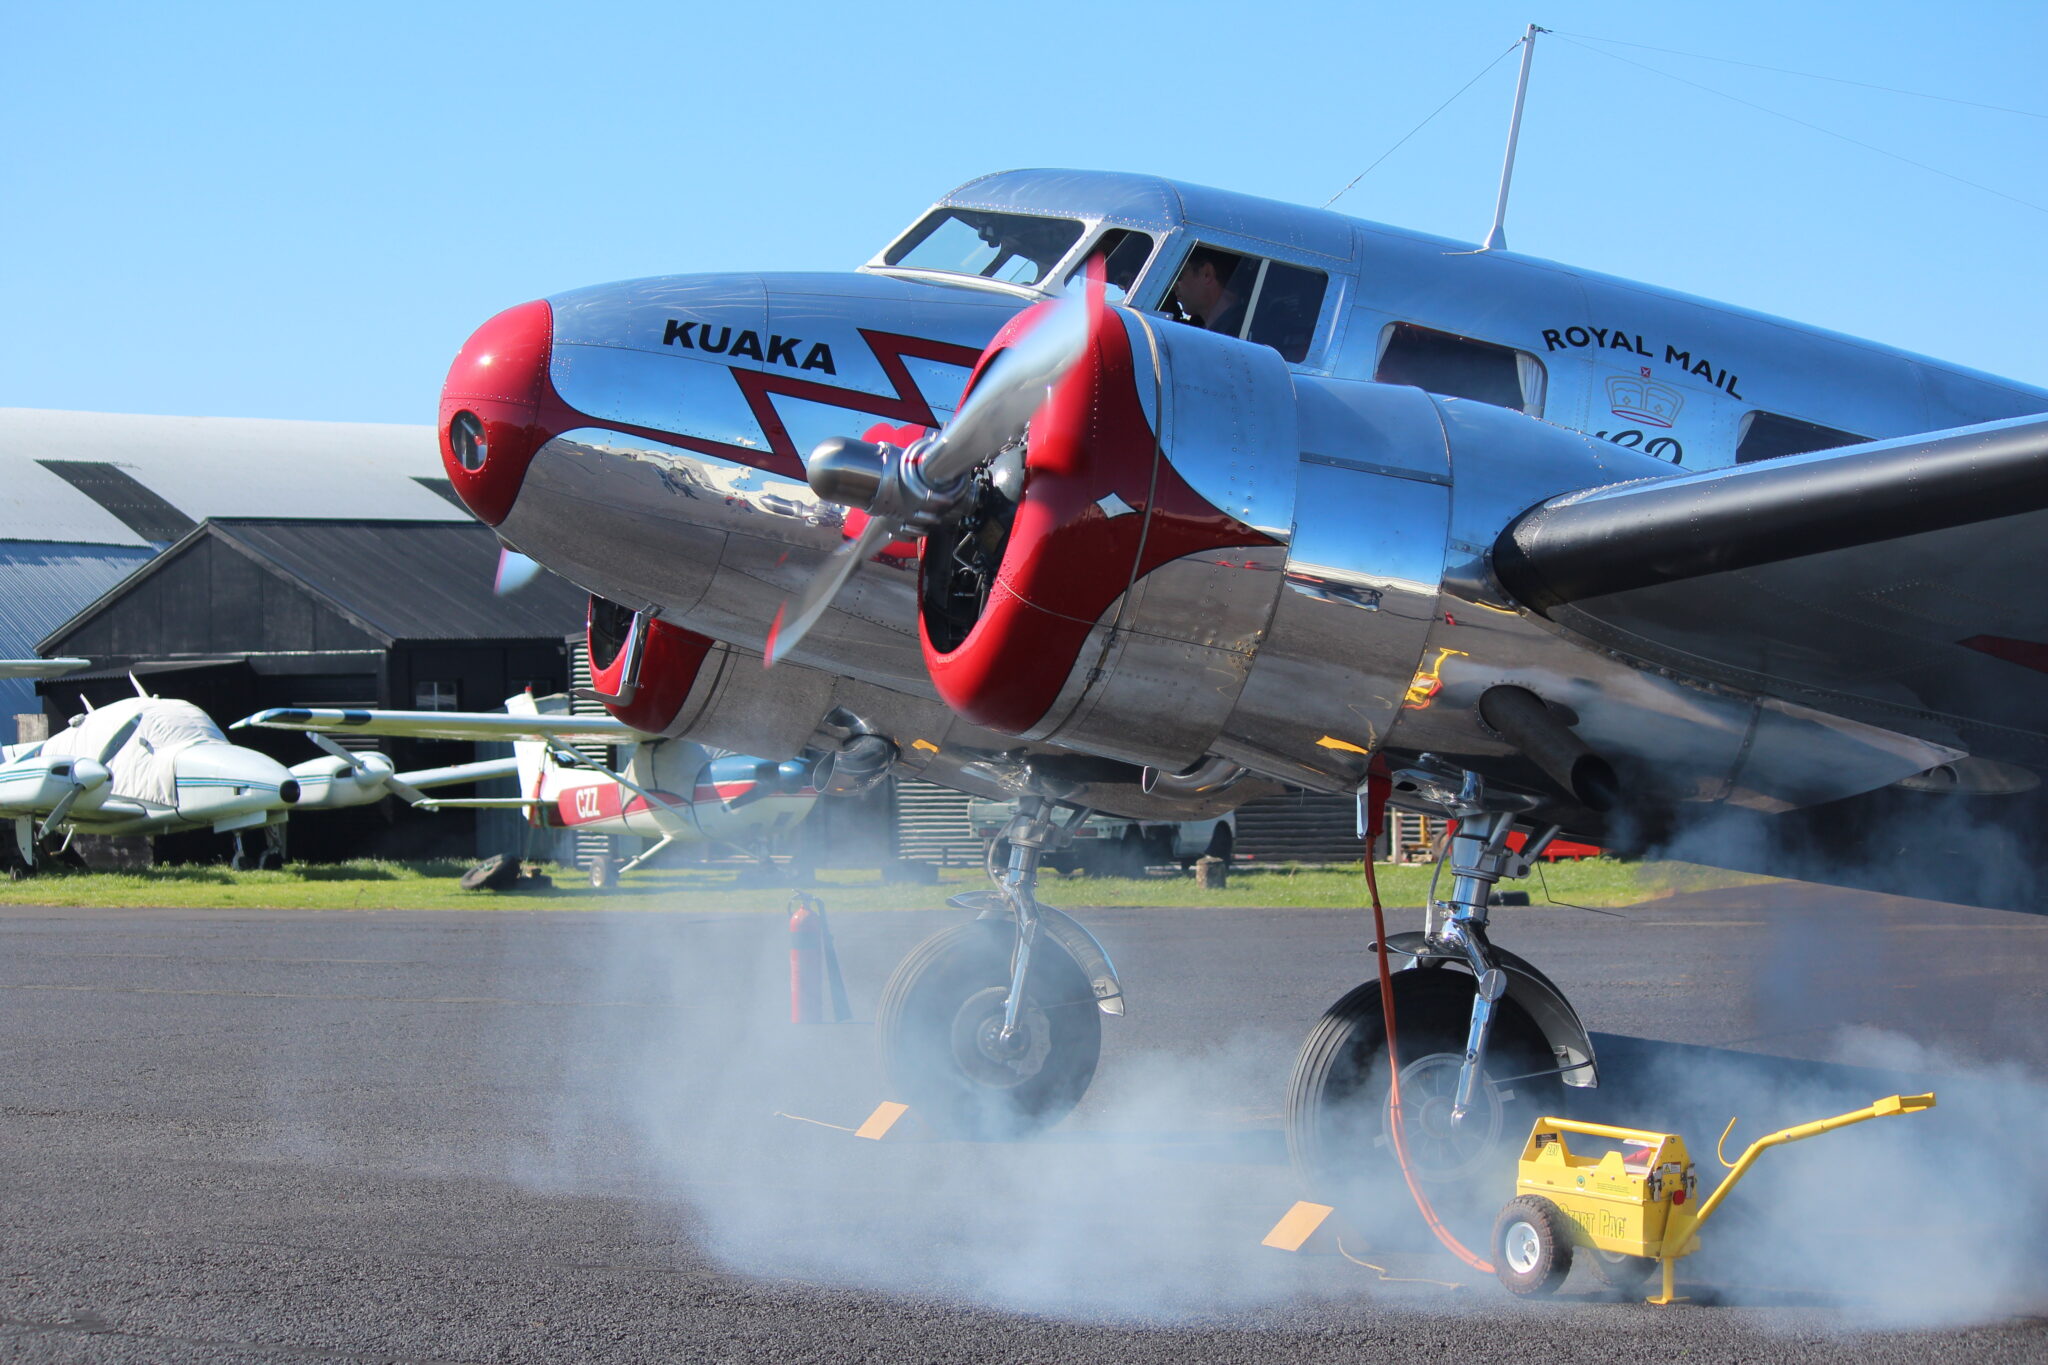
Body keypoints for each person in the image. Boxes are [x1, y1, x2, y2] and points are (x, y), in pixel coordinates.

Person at [1168, 246, 1248, 338]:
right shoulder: (1242, 325)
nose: (1173, 287)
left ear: (1207, 274)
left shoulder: (1238, 333)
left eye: (1179, 275)